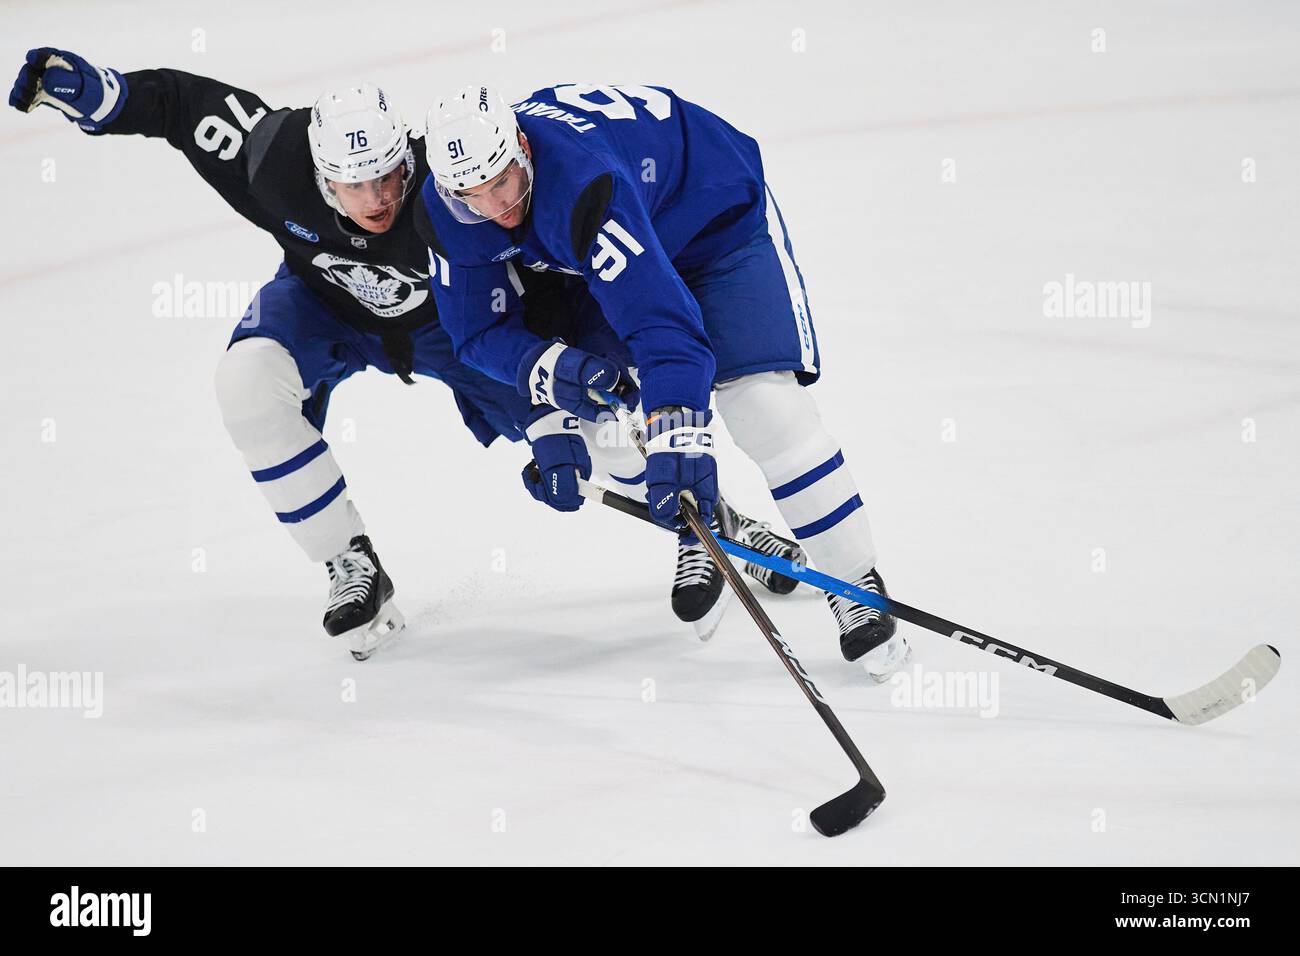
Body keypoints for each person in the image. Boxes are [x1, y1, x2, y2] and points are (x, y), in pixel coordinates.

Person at [9, 49, 541, 659]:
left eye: (388, 176)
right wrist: (105, 96)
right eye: (353, 185)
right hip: (320, 303)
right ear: (320, 176)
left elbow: (550, 267)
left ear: (408, 158)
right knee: (246, 383)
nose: (376, 200)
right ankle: (348, 559)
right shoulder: (274, 158)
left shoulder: (453, 190)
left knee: (580, 423)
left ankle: (677, 504)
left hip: (452, 323)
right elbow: (183, 106)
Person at [415, 84, 910, 680]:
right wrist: (546, 369)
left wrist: (680, 439)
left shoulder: (581, 184)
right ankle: (713, 521)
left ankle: (853, 580)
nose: (495, 210)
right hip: (622, 243)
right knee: (608, 420)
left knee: (762, 405)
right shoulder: (449, 210)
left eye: (503, 184)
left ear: (522, 147)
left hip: (712, 225)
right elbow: (475, 330)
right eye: (472, 199)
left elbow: (663, 327)